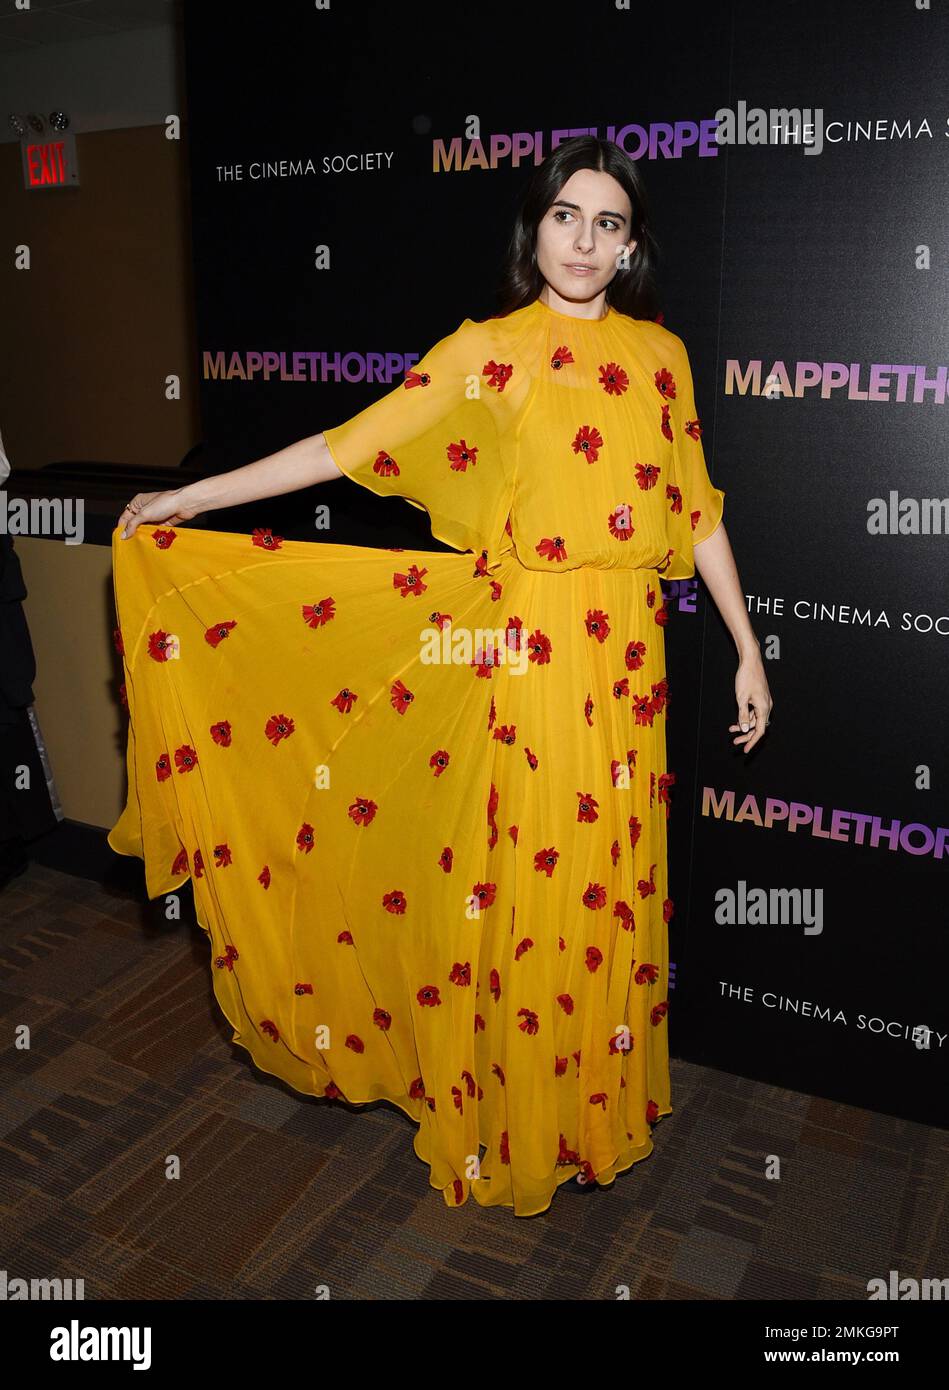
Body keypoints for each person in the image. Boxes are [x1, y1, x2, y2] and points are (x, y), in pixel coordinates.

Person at [110, 136, 772, 1216]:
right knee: (531, 885)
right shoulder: (491, 351)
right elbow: (346, 443)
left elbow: (696, 511)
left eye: (609, 222)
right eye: (566, 214)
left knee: (609, 883)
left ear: (631, 245)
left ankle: (586, 1109)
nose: (584, 239)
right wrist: (194, 498)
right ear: (536, 226)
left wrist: (745, 647)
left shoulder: (663, 357)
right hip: (529, 649)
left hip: (629, 655)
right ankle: (513, 1117)